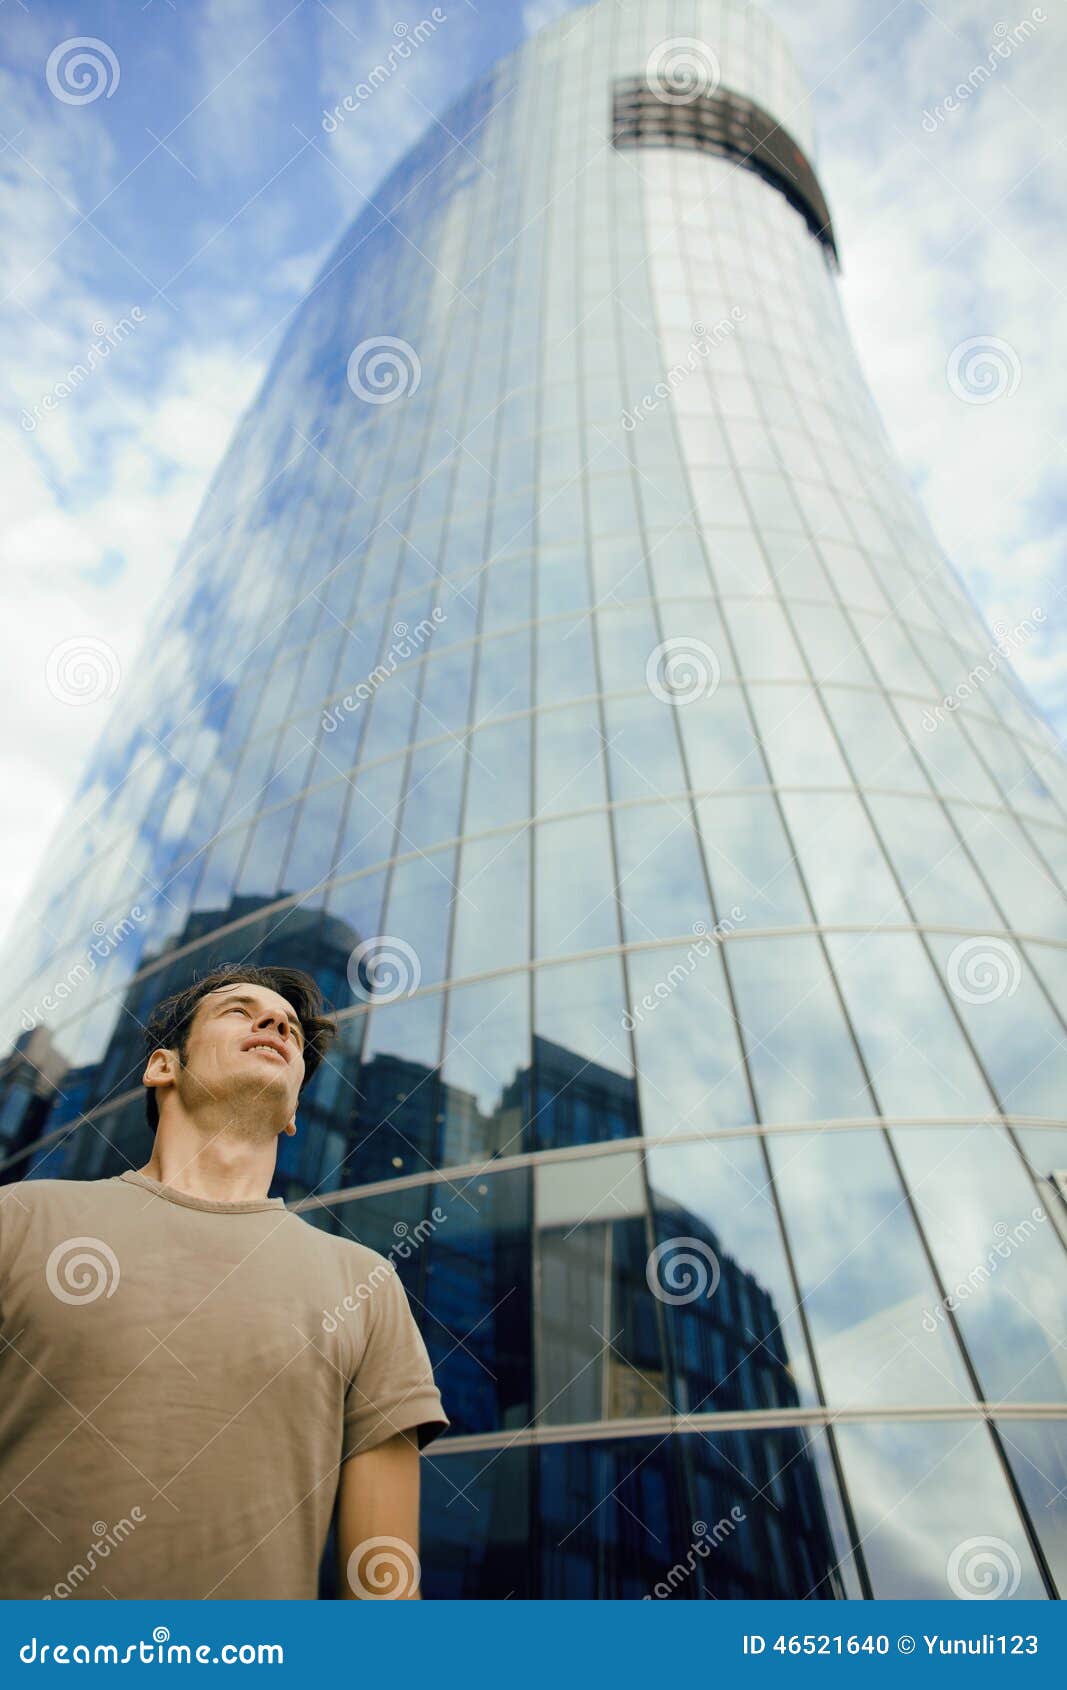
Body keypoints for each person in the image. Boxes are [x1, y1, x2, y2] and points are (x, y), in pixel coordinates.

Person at [0, 964, 448, 1600]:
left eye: (289, 1028)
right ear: (163, 1067)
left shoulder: (367, 1285)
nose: (274, 1025)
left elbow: (385, 1591)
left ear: (295, 1109)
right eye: (239, 1011)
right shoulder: (20, 1219)